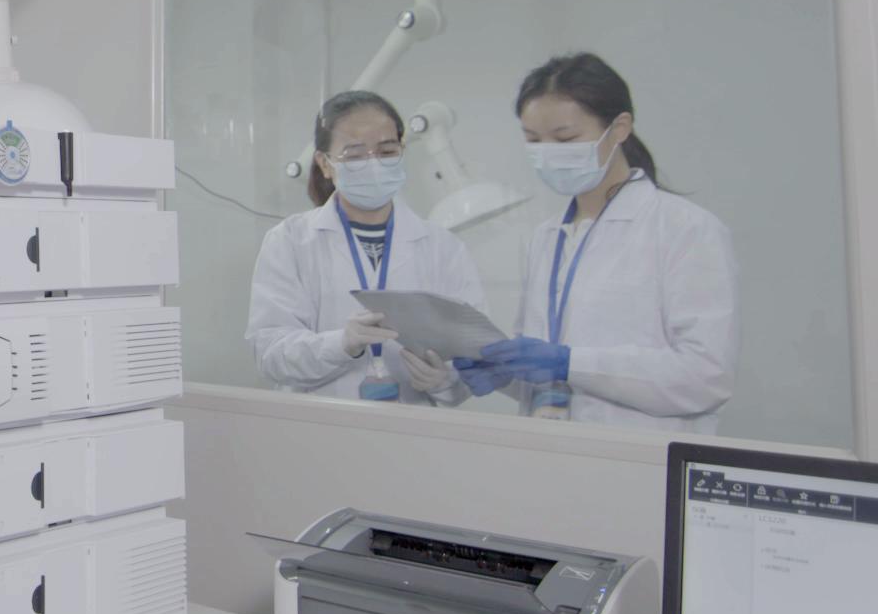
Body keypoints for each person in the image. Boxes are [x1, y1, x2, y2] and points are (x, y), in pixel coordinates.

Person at [455, 54, 738, 431]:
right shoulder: (546, 237)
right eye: (533, 140)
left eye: (565, 138)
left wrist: (568, 362)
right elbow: (551, 376)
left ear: (619, 128)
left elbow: (705, 378)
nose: (548, 152)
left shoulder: (686, 229)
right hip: (549, 448)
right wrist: (505, 373)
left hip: (640, 455)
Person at [248, 90, 487, 404]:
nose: (373, 164)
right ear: (324, 164)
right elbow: (270, 354)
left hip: (414, 426)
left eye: (386, 151)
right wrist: (341, 344)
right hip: (320, 423)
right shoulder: (290, 241)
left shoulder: (444, 247)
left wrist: (446, 382)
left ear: (401, 152)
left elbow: (474, 351)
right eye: (355, 155)